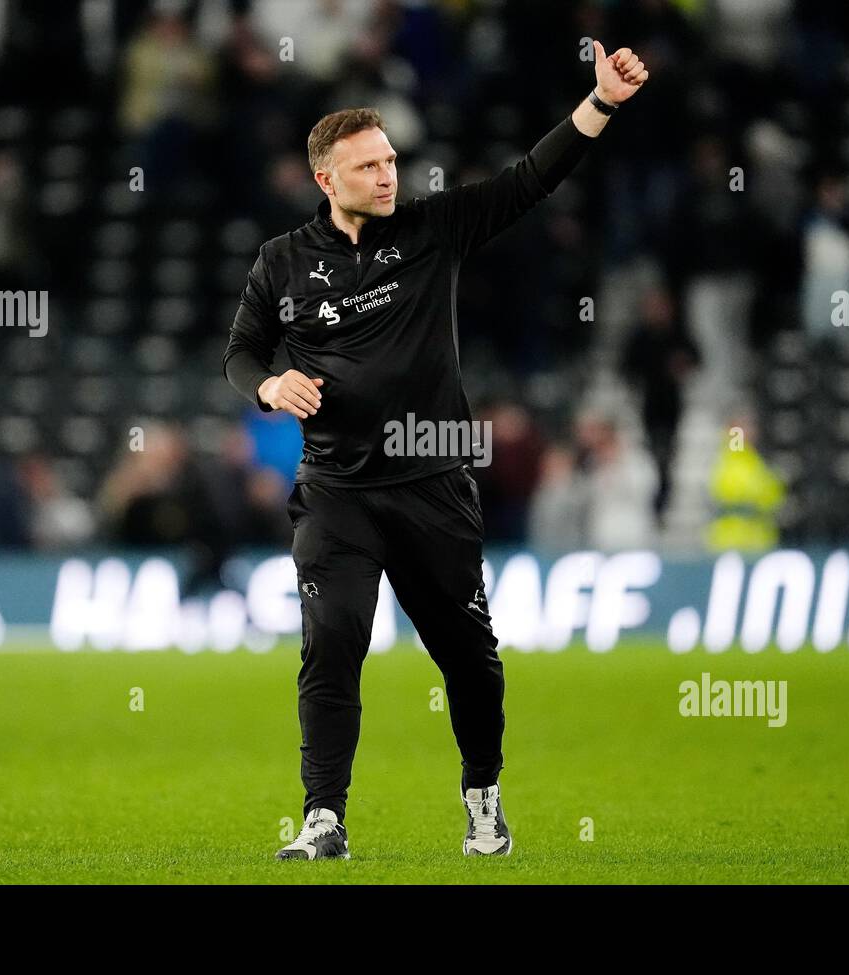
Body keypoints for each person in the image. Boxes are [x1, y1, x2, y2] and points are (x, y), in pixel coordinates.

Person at [224, 42, 649, 860]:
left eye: (390, 161)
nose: (388, 176)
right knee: (334, 639)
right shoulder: (282, 263)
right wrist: (269, 387)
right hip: (337, 488)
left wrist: (599, 104)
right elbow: (240, 353)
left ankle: (482, 796)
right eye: (369, 166)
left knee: (468, 656)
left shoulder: (432, 227)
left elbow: (530, 179)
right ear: (326, 179)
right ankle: (323, 818)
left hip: (432, 480)